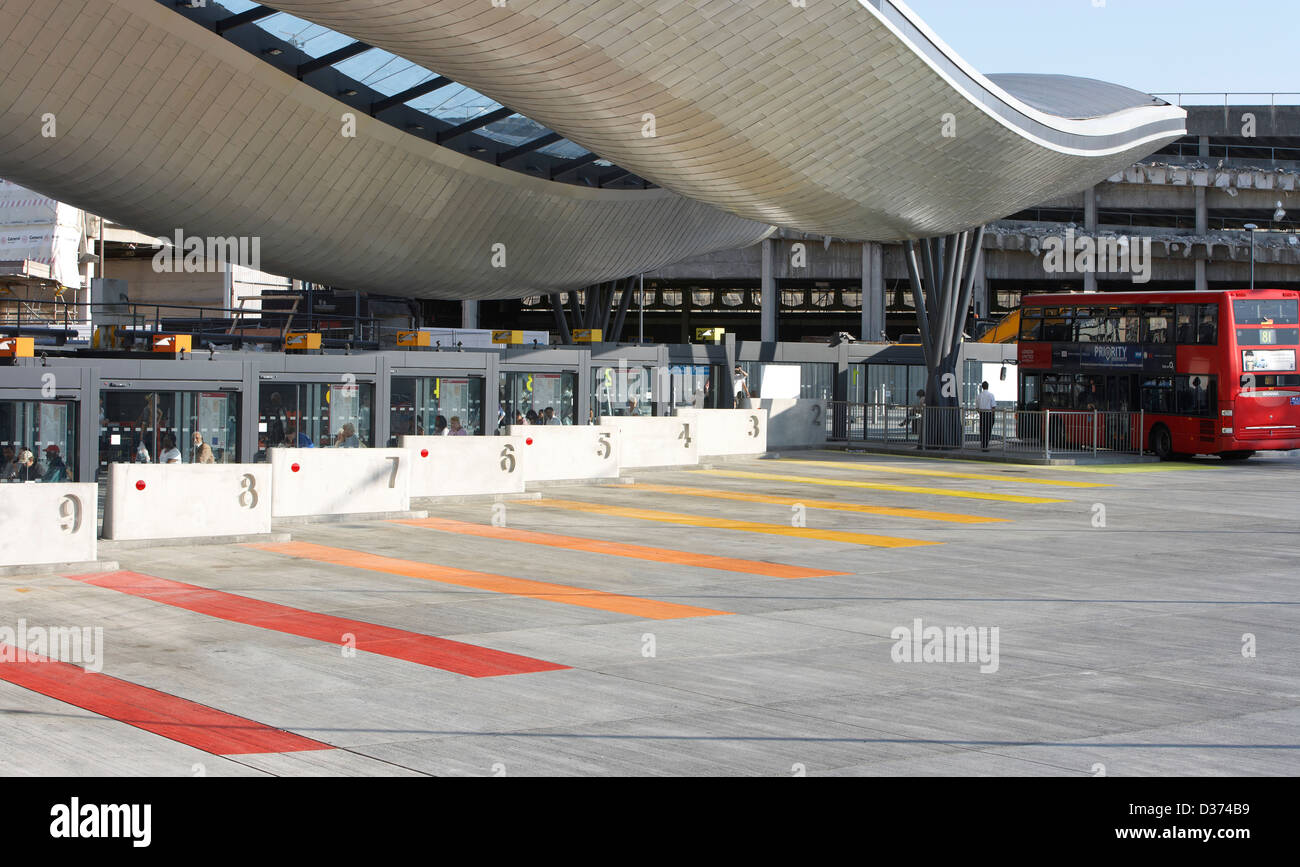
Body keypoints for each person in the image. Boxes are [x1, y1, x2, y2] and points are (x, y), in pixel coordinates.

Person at [976, 381, 997, 452]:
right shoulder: (991, 395)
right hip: (989, 414)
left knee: (982, 430)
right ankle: (986, 446)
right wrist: (993, 415)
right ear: (988, 386)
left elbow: (977, 408)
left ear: (982, 387)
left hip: (982, 414)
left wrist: (980, 413)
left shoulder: (979, 396)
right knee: (988, 431)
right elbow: (993, 407)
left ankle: (983, 445)